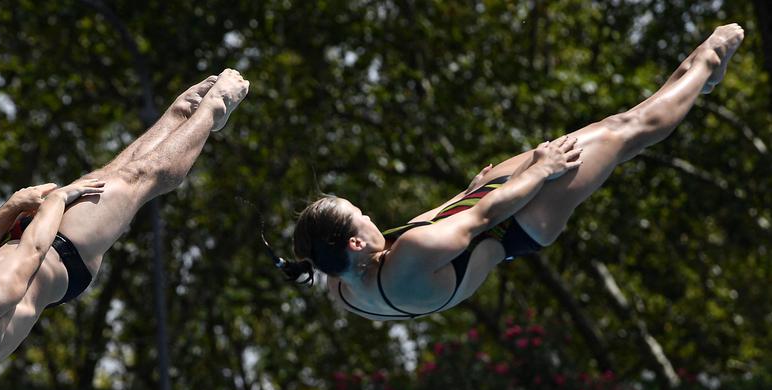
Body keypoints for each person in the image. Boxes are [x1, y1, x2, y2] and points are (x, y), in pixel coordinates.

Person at [272, 24, 744, 321]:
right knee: (625, 132)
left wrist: (466, 191)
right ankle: (706, 60)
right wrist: (543, 170)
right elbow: (481, 219)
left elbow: (447, 225)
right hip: (518, 219)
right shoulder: (405, 257)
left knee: (614, 128)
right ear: (355, 242)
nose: (372, 217)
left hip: (480, 208)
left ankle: (696, 79)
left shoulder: (343, 289)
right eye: (362, 216)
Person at [0, 69, 250, 375]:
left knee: (109, 176)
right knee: (140, 179)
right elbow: (34, 250)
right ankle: (215, 109)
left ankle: (180, 113)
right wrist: (56, 198)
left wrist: (8, 210)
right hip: (64, 258)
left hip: (28, 251)